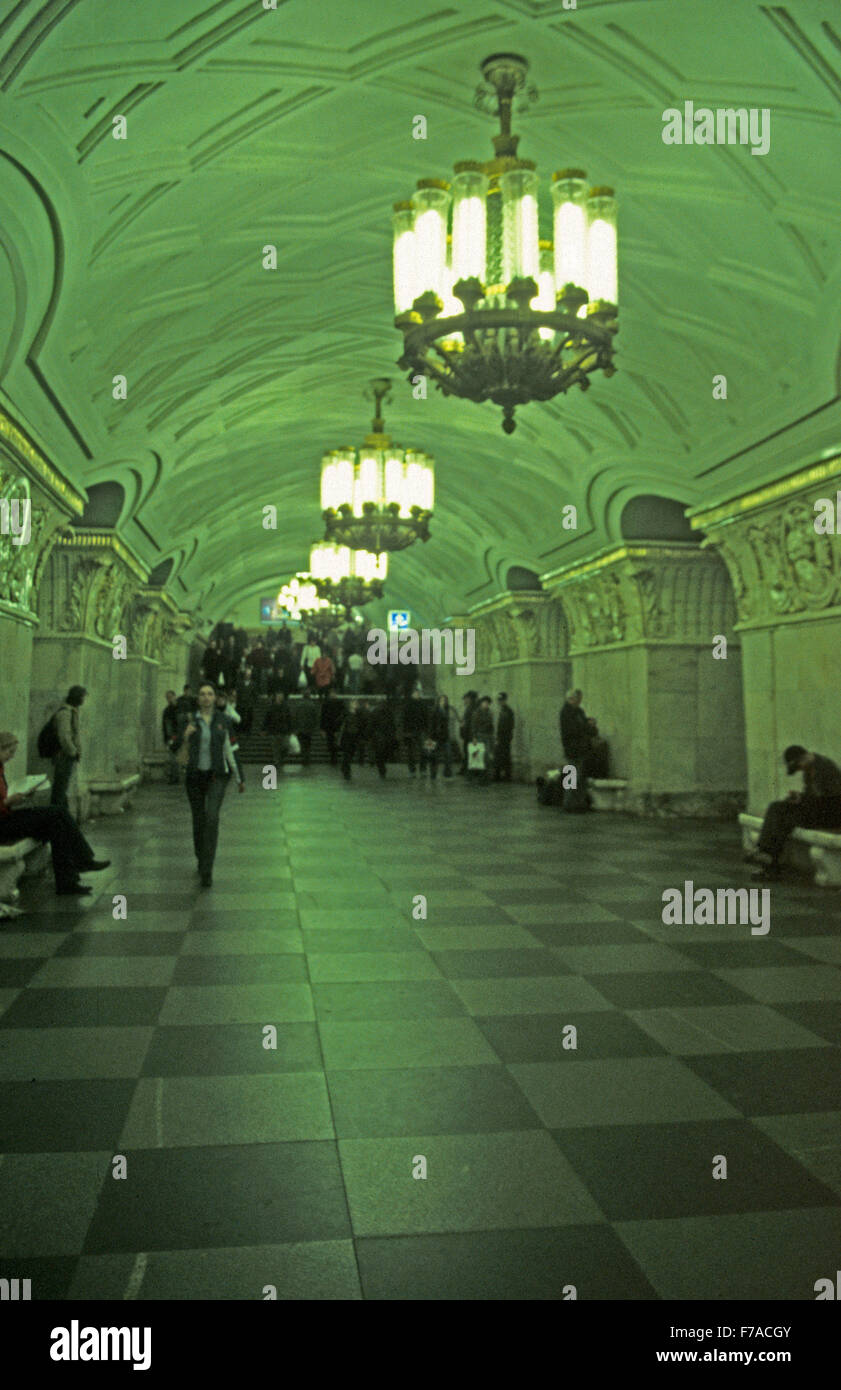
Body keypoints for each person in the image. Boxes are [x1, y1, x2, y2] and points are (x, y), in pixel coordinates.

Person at [0, 731, 110, 896]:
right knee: (56, 813)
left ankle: (68, 882)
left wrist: (21, 797)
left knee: (57, 821)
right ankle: (83, 861)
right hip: (2, 824)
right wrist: (9, 801)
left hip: (6, 817)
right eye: (9, 752)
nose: (11, 757)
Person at [174, 681, 242, 888]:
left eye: (210, 694)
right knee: (199, 820)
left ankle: (207, 869)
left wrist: (240, 777)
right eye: (202, 694)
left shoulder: (224, 720)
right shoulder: (188, 720)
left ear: (215, 698)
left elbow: (232, 748)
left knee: (211, 817)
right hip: (194, 777)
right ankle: (200, 855)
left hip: (217, 776)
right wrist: (185, 737)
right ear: (198, 698)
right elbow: (174, 746)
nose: (206, 697)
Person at [747, 745, 841, 880]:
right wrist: (799, 797)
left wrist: (802, 799)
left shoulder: (826, 768)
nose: (800, 769)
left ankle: (770, 860)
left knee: (786, 819)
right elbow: (813, 797)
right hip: (817, 811)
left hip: (829, 815)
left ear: (803, 758)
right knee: (777, 807)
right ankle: (765, 852)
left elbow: (830, 801)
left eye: (799, 766)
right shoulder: (809, 769)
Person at [50, 685, 87, 816]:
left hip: (66, 755)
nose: (84, 700)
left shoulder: (72, 711)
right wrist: (73, 752)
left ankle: (62, 815)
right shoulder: (65, 713)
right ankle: (57, 817)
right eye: (82, 697)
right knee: (60, 788)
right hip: (64, 756)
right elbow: (64, 736)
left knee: (62, 786)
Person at [427, 694, 457, 779]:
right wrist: (429, 736)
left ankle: (447, 772)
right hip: (434, 736)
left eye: (445, 700)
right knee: (433, 756)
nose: (443, 702)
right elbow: (431, 724)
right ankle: (433, 773)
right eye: (442, 700)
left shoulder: (447, 710)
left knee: (448, 754)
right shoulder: (434, 710)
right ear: (438, 701)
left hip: (445, 736)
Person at [263, 690, 292, 775]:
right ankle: (277, 762)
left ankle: (281, 759)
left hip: (284, 731)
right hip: (273, 731)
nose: (280, 697)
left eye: (281, 695)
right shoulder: (271, 707)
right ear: (275, 696)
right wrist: (264, 729)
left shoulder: (286, 707)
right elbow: (267, 719)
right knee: (275, 749)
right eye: (279, 695)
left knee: (285, 747)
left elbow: (289, 719)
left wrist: (291, 729)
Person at [402, 689, 428, 778]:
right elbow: (404, 719)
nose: (417, 695)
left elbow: (427, 718)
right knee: (411, 752)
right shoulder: (408, 705)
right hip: (411, 731)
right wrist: (405, 732)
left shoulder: (423, 705)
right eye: (415, 693)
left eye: (418, 693)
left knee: (423, 751)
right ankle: (412, 770)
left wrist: (427, 730)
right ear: (412, 694)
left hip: (421, 731)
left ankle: (422, 769)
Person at [369, 699, 396, 778]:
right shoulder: (389, 712)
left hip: (378, 736)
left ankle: (382, 770)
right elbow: (392, 724)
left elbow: (371, 724)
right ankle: (382, 768)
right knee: (384, 752)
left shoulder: (375, 712)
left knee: (379, 754)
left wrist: (370, 734)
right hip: (387, 735)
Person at [471, 696, 495, 784]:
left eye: (488, 703)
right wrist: (474, 737)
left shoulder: (490, 713)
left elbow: (491, 726)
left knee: (487, 758)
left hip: (488, 736)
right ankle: (481, 778)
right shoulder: (476, 713)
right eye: (485, 703)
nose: (486, 704)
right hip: (479, 736)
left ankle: (486, 778)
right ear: (481, 703)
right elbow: (473, 725)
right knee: (480, 758)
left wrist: (493, 737)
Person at [293, 691, 320, 767]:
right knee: (308, 744)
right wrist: (315, 726)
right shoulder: (312, 705)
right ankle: (307, 759)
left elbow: (295, 716)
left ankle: (304, 758)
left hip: (300, 728)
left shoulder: (298, 705)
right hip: (309, 729)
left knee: (302, 744)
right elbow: (315, 717)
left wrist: (295, 727)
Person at [493, 693, 515, 781]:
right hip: (502, 736)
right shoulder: (503, 710)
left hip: (504, 737)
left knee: (504, 756)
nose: (499, 702)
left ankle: (505, 775)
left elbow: (509, 725)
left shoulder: (508, 711)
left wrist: (502, 736)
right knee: (500, 756)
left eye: (501, 700)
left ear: (504, 700)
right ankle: (500, 775)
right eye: (499, 700)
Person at [339, 699, 362, 781]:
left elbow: (361, 725)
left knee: (351, 753)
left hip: (354, 737)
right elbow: (339, 722)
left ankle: (344, 766)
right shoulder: (345, 714)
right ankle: (347, 771)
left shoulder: (359, 714)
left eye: (356, 703)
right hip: (347, 736)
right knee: (347, 754)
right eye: (354, 703)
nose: (355, 705)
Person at [161, 689, 181, 784]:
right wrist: (169, 738)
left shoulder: (179, 708)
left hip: (180, 736)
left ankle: (175, 776)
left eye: (170, 697)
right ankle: (174, 777)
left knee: (176, 758)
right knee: (173, 758)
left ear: (174, 696)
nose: (169, 699)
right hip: (173, 737)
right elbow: (166, 726)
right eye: (167, 697)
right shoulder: (167, 711)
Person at [458, 691, 478, 774]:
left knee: (470, 752)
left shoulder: (472, 708)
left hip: (470, 734)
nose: (465, 701)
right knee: (468, 752)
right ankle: (466, 769)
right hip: (468, 734)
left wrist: (463, 724)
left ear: (470, 699)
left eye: (466, 698)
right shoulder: (470, 708)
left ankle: (469, 770)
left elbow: (470, 722)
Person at [321, 689, 343, 766]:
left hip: (334, 727)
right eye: (332, 693)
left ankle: (334, 758)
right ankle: (333, 757)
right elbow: (323, 716)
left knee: (333, 743)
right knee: (332, 743)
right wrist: (322, 729)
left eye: (334, 693)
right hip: (330, 727)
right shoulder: (327, 703)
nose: (333, 695)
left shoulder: (339, 703)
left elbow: (323, 716)